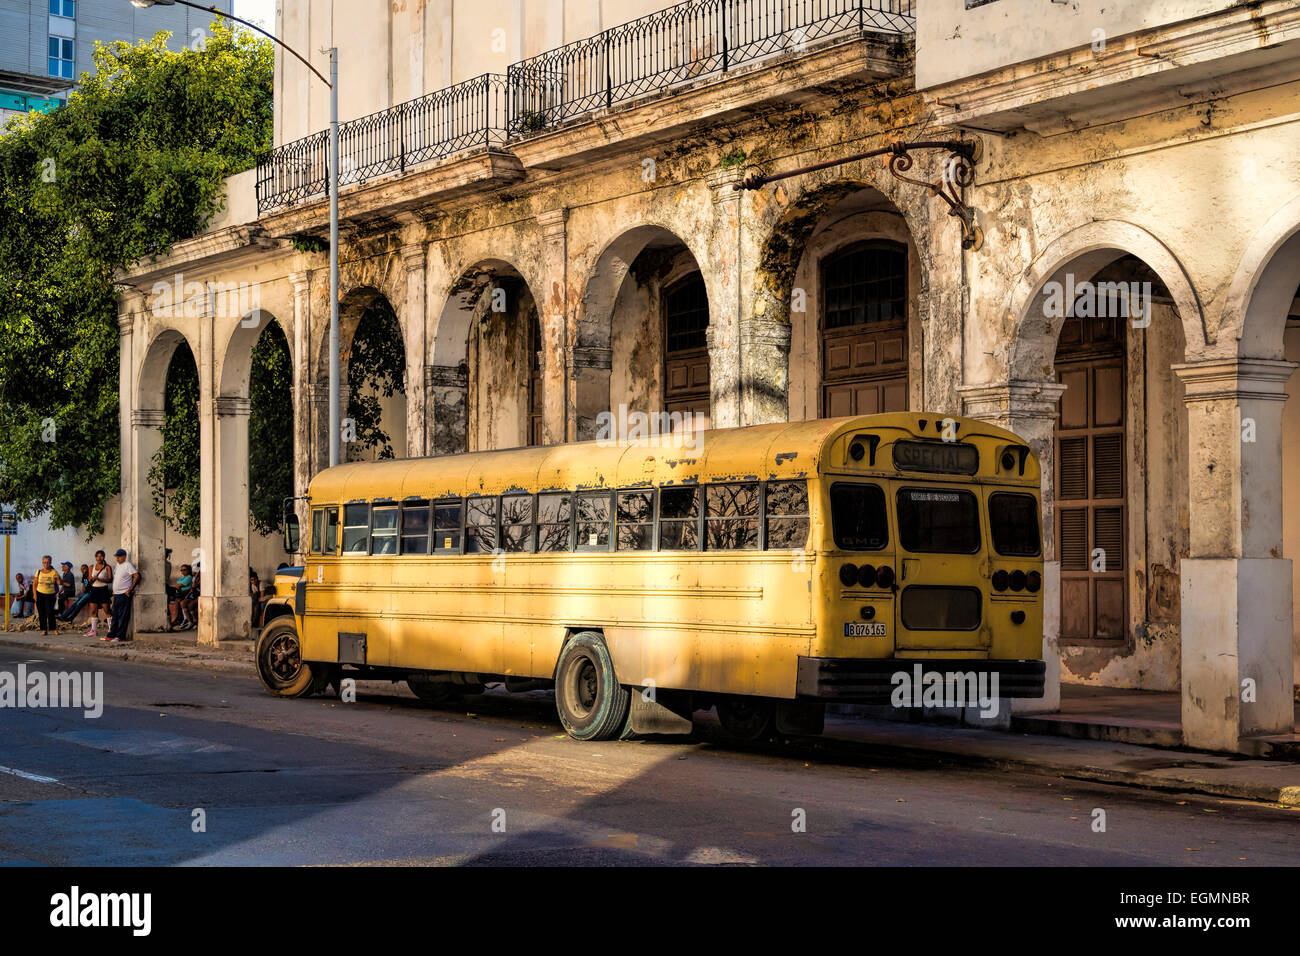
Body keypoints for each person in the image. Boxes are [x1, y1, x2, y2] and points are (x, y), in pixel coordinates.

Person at [104, 548, 139, 644]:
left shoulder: (127, 565)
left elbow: (136, 576)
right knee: (115, 615)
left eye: (119, 556)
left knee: (123, 616)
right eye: (117, 557)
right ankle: (112, 634)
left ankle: (120, 636)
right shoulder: (117, 566)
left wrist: (130, 589)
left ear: (124, 556)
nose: (117, 558)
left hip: (124, 594)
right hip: (117, 594)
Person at [85, 550, 112, 638]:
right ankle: (93, 631)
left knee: (107, 611)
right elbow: (89, 579)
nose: (99, 558)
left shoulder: (107, 567)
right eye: (97, 556)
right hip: (94, 590)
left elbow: (110, 579)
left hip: (103, 589)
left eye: (101, 556)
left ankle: (111, 630)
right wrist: (91, 579)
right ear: (95, 557)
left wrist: (99, 579)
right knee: (93, 611)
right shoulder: (91, 567)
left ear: (104, 557)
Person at [32, 555, 60, 636]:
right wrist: (34, 594)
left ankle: (53, 629)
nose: (46, 564)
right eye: (44, 562)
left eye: (47, 562)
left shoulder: (54, 572)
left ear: (50, 563)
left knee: (50, 612)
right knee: (41, 613)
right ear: (42, 563)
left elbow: (58, 583)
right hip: (39, 594)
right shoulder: (38, 572)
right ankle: (44, 629)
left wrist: (57, 578)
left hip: (50, 595)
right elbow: (34, 584)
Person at [167, 564, 196, 631]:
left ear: (188, 570)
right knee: (176, 600)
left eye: (184, 570)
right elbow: (176, 585)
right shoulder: (181, 578)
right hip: (178, 593)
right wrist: (175, 586)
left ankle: (176, 618)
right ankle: (176, 618)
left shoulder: (189, 577)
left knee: (178, 601)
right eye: (181, 570)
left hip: (185, 593)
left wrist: (175, 586)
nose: (182, 571)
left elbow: (179, 585)